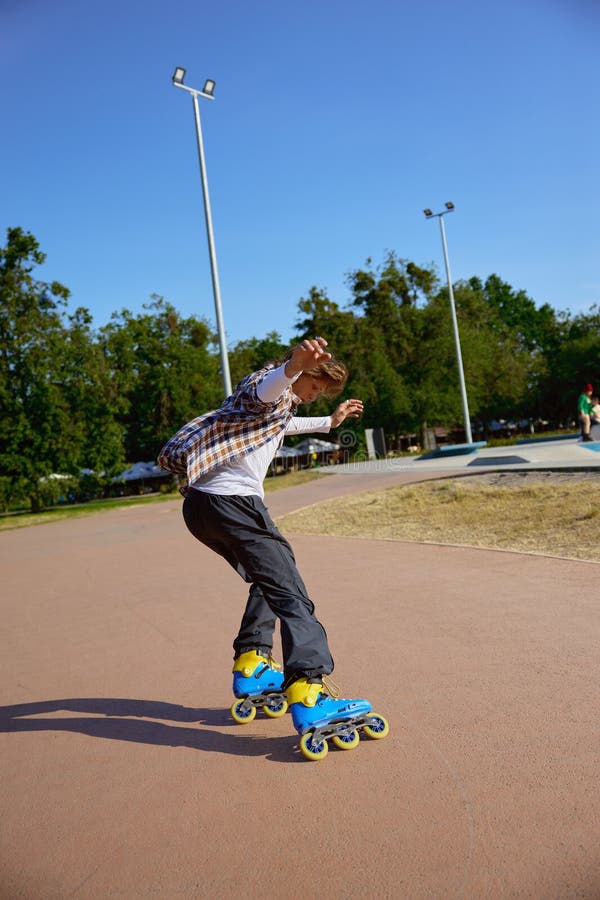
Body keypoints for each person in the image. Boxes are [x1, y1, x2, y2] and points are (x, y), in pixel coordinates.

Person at [158, 337, 389, 758]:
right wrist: (293, 367)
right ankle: (308, 691)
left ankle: (252, 665)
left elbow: (286, 423)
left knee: (269, 579)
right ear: (302, 374)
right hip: (233, 504)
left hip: (201, 508)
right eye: (314, 387)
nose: (312, 395)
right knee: (291, 592)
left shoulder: (276, 411)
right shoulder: (268, 390)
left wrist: (328, 422)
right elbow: (265, 392)